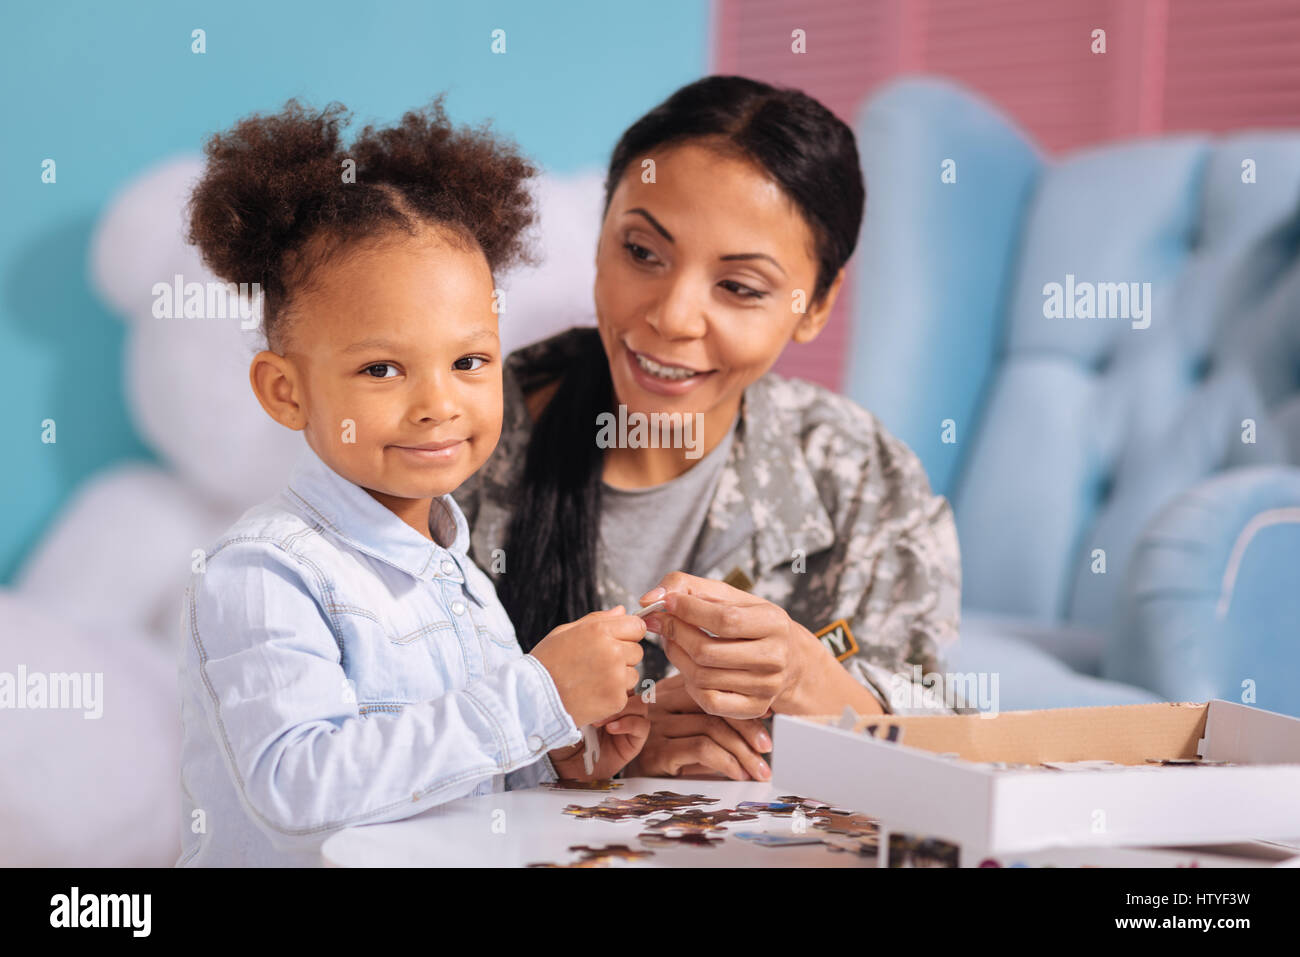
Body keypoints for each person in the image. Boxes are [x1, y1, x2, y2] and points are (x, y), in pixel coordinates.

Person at [176, 98, 648, 866]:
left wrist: (559, 754)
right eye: (381, 368)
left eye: (469, 361)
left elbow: (449, 774)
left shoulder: (457, 572)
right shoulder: (263, 573)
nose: (437, 404)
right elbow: (300, 790)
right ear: (285, 390)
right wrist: (535, 696)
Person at [455, 76, 962, 783]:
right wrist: (587, 749)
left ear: (814, 304)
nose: (673, 316)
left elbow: (945, 754)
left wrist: (806, 680)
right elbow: (362, 738)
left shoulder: (860, 475)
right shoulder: (457, 435)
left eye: (740, 287)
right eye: (641, 251)